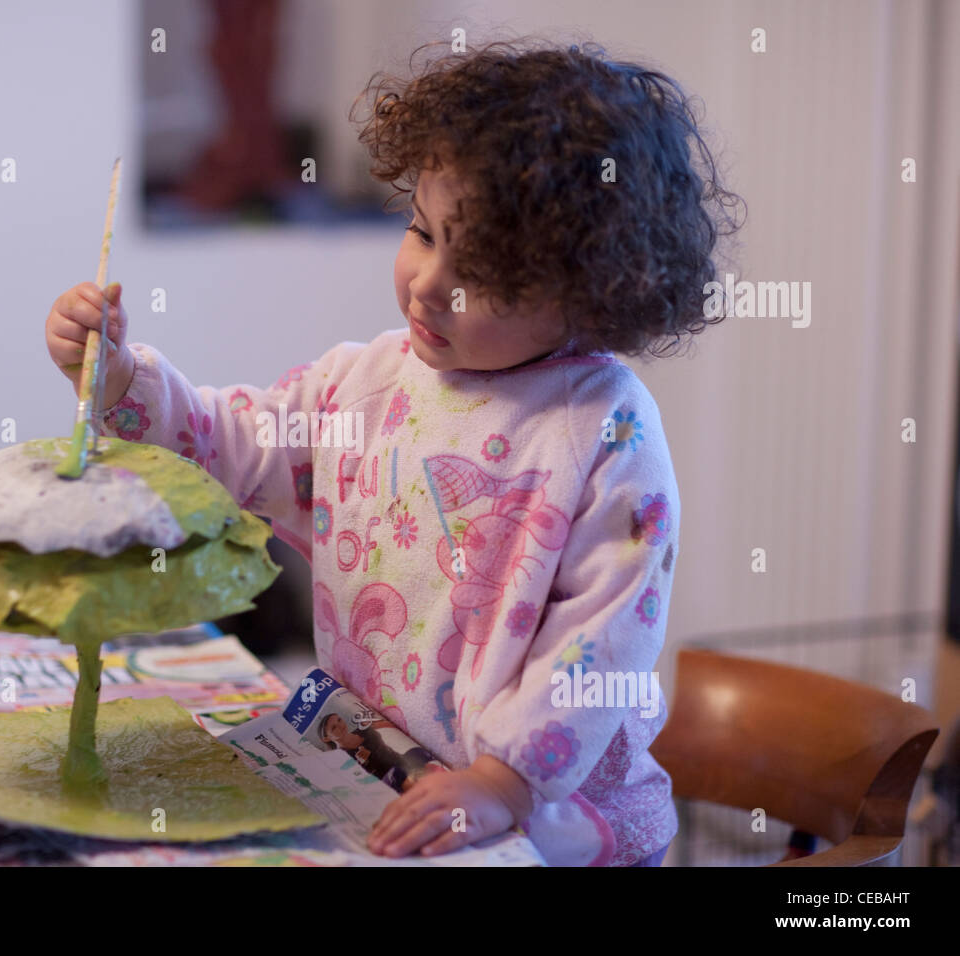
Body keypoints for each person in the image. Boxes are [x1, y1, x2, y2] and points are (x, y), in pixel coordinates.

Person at [45, 39, 743, 865]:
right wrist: (118, 374)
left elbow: (602, 646)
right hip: (382, 773)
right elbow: (233, 441)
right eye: (421, 231)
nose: (425, 282)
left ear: (594, 287)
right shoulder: (368, 381)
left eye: (479, 270)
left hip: (554, 820)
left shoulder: (606, 429)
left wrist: (503, 785)